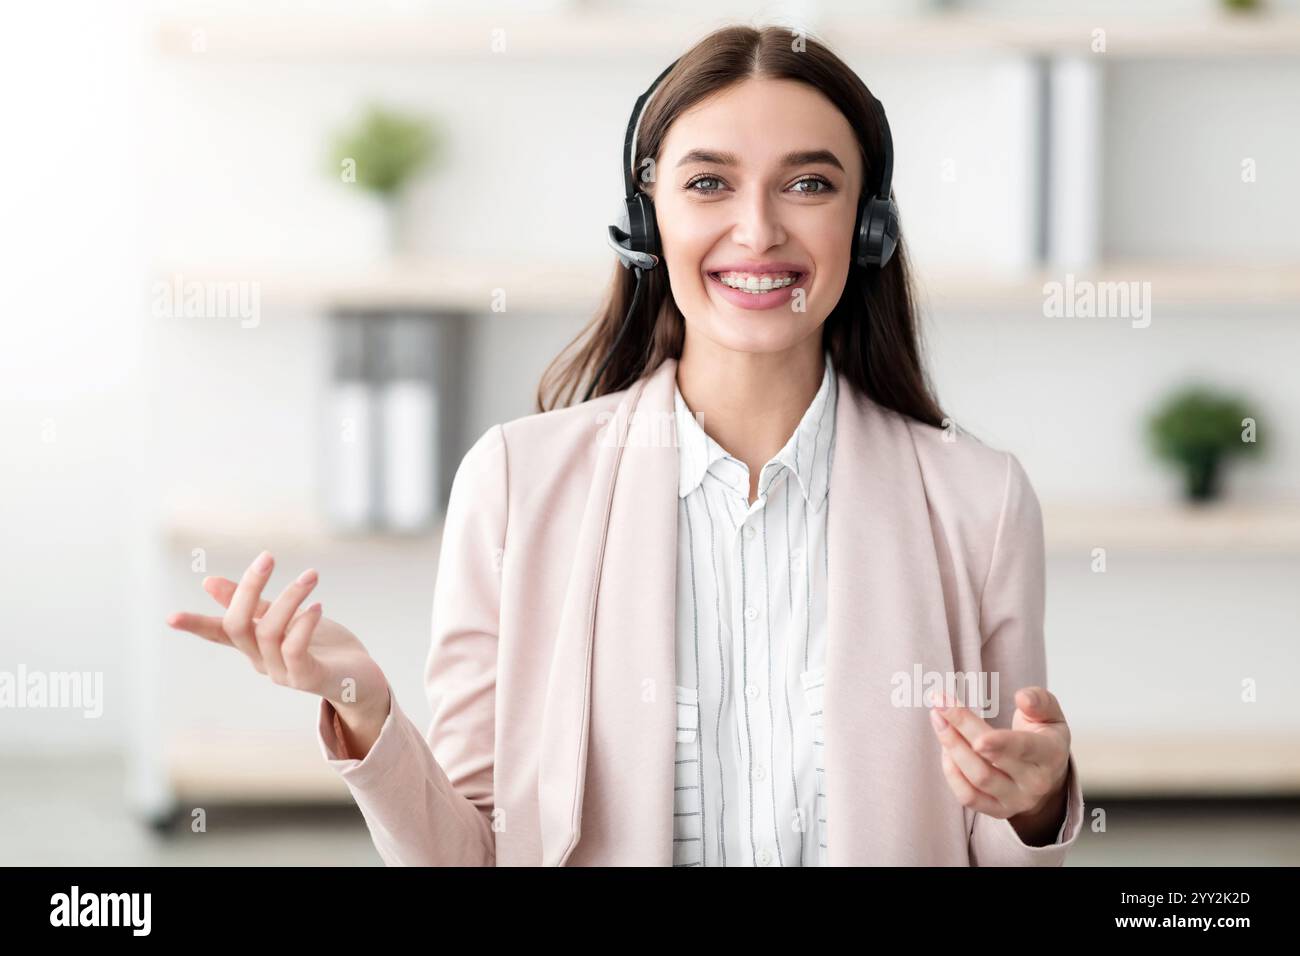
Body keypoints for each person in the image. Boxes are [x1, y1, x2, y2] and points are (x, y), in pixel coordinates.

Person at [167, 23, 1082, 866]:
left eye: (809, 184)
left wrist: (1034, 805)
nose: (758, 229)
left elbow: (996, 826)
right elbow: (473, 855)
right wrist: (364, 704)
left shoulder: (979, 501)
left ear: (867, 226)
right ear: (649, 223)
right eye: (707, 183)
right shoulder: (516, 484)